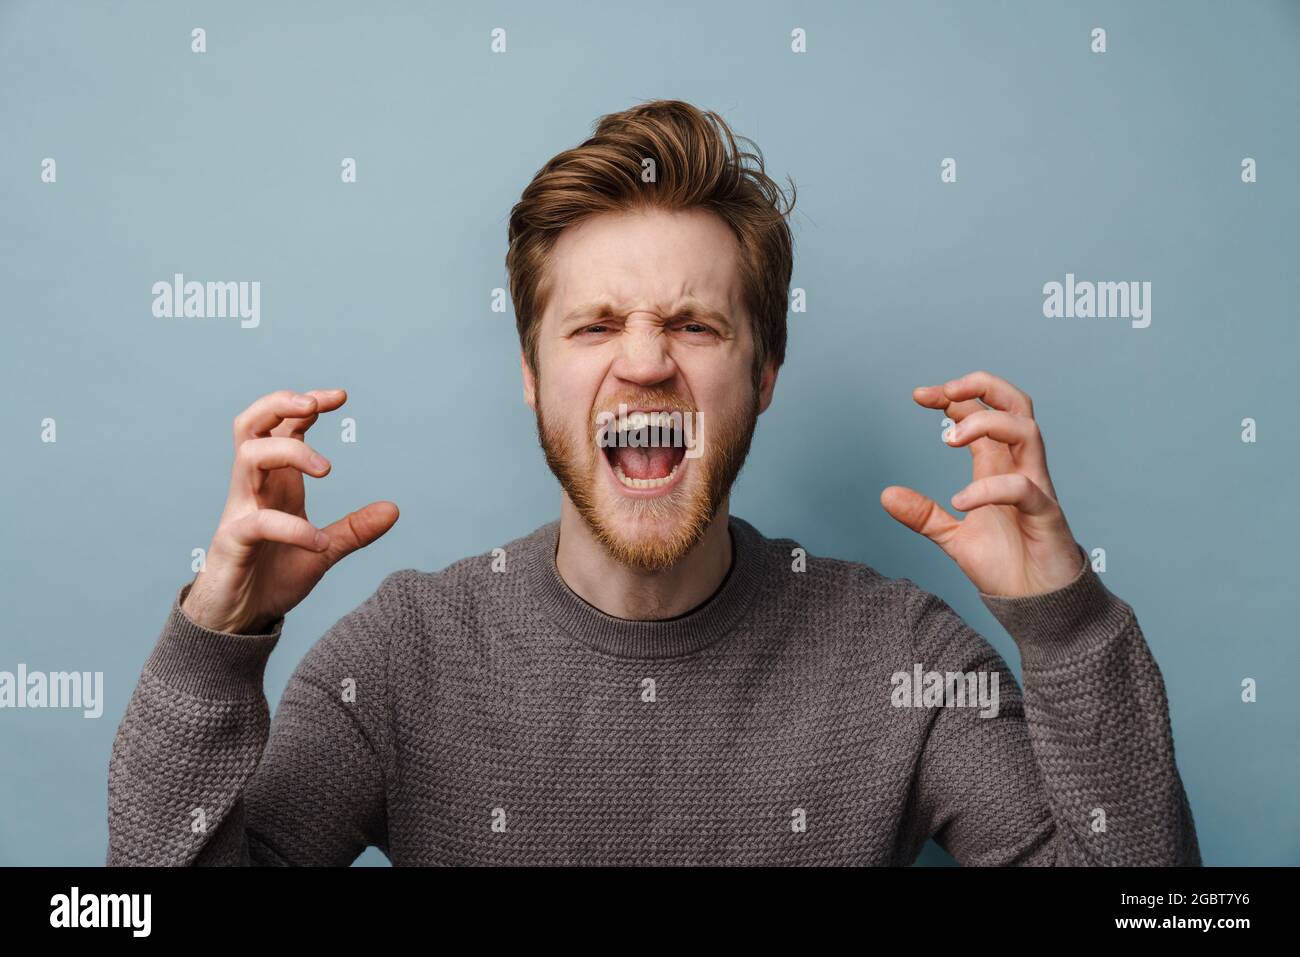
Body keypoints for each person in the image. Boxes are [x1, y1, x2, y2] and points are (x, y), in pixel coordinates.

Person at [107, 100, 1199, 866]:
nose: (642, 361)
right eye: (594, 326)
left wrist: (1064, 628)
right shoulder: (402, 660)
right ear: (535, 382)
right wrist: (213, 643)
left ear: (764, 374)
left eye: (692, 323)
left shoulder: (901, 662)